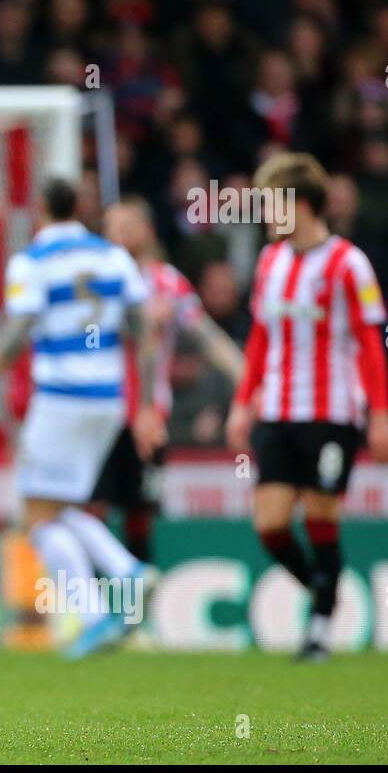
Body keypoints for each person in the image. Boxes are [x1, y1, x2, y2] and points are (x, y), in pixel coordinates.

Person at [0, 179, 164, 658]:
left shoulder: (33, 262)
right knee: (59, 505)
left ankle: (99, 605)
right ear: (79, 208)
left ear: (40, 207)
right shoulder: (114, 257)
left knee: (36, 514)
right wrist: (143, 405)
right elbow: (143, 336)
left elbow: (18, 331)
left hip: (61, 395)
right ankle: (126, 574)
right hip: (109, 398)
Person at [226, 152, 388, 662]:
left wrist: (383, 415)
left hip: (332, 413)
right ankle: (326, 591)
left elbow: (371, 344)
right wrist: (242, 402)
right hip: (277, 411)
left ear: (300, 203)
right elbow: (260, 337)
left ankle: (319, 627)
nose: (264, 211)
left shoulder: (349, 263)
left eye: (271, 200)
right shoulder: (269, 261)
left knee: (321, 513)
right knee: (271, 524)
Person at [93, 197, 244, 563]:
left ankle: (135, 611)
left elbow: (206, 338)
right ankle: (92, 608)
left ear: (148, 231)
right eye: (113, 228)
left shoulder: (167, 284)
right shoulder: (95, 283)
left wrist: (248, 379)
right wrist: (135, 323)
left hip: (150, 416)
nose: (120, 235)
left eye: (127, 226)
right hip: (99, 413)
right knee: (93, 509)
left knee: (140, 510)